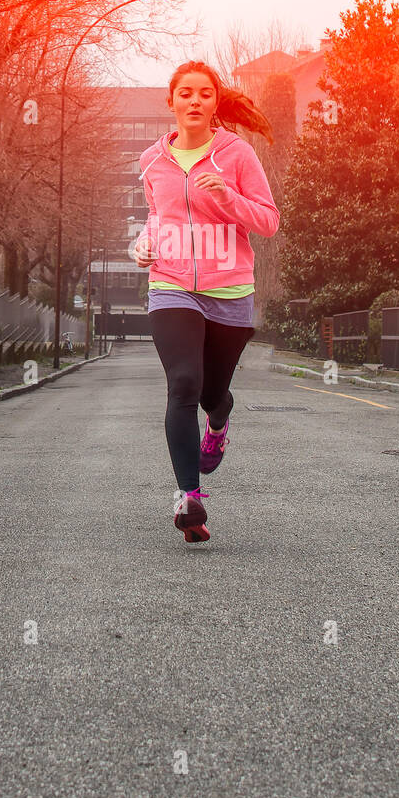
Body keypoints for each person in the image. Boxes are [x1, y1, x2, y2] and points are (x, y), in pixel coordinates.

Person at [134, 60, 279, 544]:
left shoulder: (237, 154)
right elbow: (158, 216)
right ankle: (188, 499)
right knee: (183, 383)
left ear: (216, 103)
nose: (194, 101)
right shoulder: (152, 160)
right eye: (186, 93)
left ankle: (219, 421)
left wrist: (229, 199)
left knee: (213, 393)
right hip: (170, 283)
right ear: (171, 101)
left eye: (204, 94)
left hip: (229, 290)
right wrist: (143, 243)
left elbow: (268, 221)